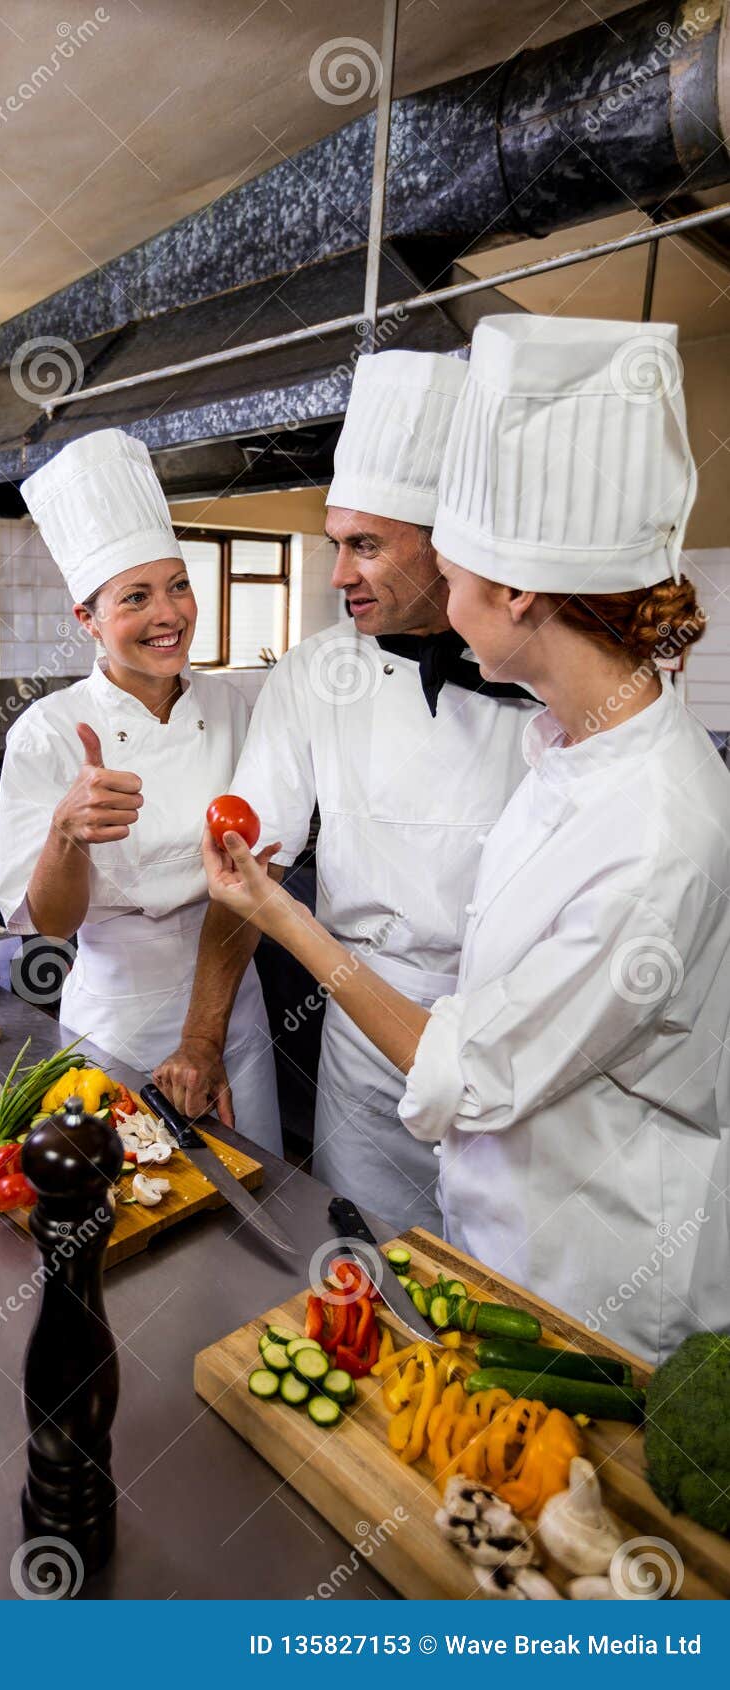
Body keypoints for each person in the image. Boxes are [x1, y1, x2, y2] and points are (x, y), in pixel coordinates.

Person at [202, 312, 730, 1365]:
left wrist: (278, 917)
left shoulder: (650, 826)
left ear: (516, 590)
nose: (433, 594)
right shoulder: (571, 745)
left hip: (591, 1260)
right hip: (486, 1174)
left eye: (446, 562)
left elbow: (469, 1065)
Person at [156, 351, 536, 1232]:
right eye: (337, 544)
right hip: (365, 1040)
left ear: (447, 544)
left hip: (517, 1041)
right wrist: (203, 1039)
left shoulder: (540, 675)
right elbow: (246, 867)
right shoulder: (311, 675)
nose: (336, 575)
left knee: (501, 1315)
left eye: (364, 545)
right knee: (362, 1273)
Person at [0, 428, 282, 1153]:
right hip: (114, 1018)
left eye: (178, 585)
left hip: (227, 1006)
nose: (169, 614)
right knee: (128, 1204)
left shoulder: (230, 710)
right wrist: (66, 831)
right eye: (136, 597)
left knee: (252, 1201)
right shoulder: (48, 730)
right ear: (87, 622)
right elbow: (50, 925)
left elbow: (256, 874)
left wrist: (204, 1033)